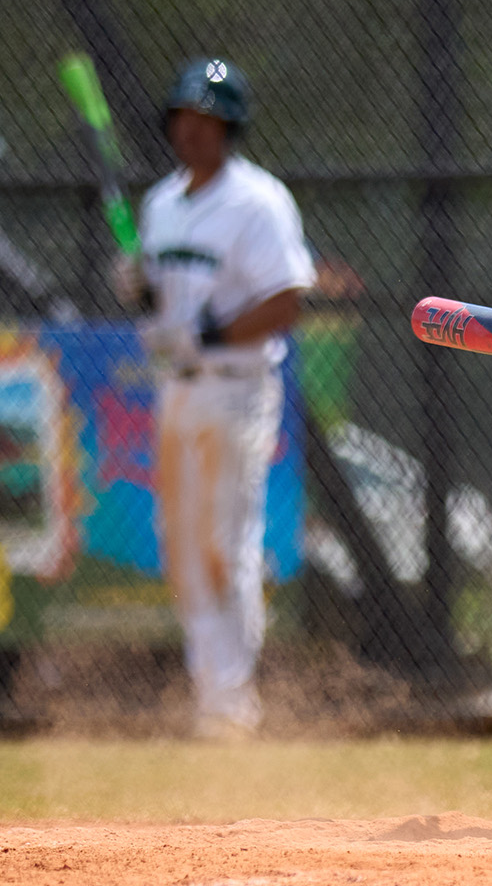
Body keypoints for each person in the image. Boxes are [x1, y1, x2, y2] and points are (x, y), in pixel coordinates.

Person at [115, 58, 315, 738]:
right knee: (180, 544)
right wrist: (140, 289)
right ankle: (211, 693)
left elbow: (287, 301)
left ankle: (231, 702)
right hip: (176, 390)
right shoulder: (161, 203)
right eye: (183, 117)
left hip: (235, 390)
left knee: (224, 545)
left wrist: (208, 334)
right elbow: (161, 301)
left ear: (230, 126)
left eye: (205, 119)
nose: (191, 130)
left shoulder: (258, 201)